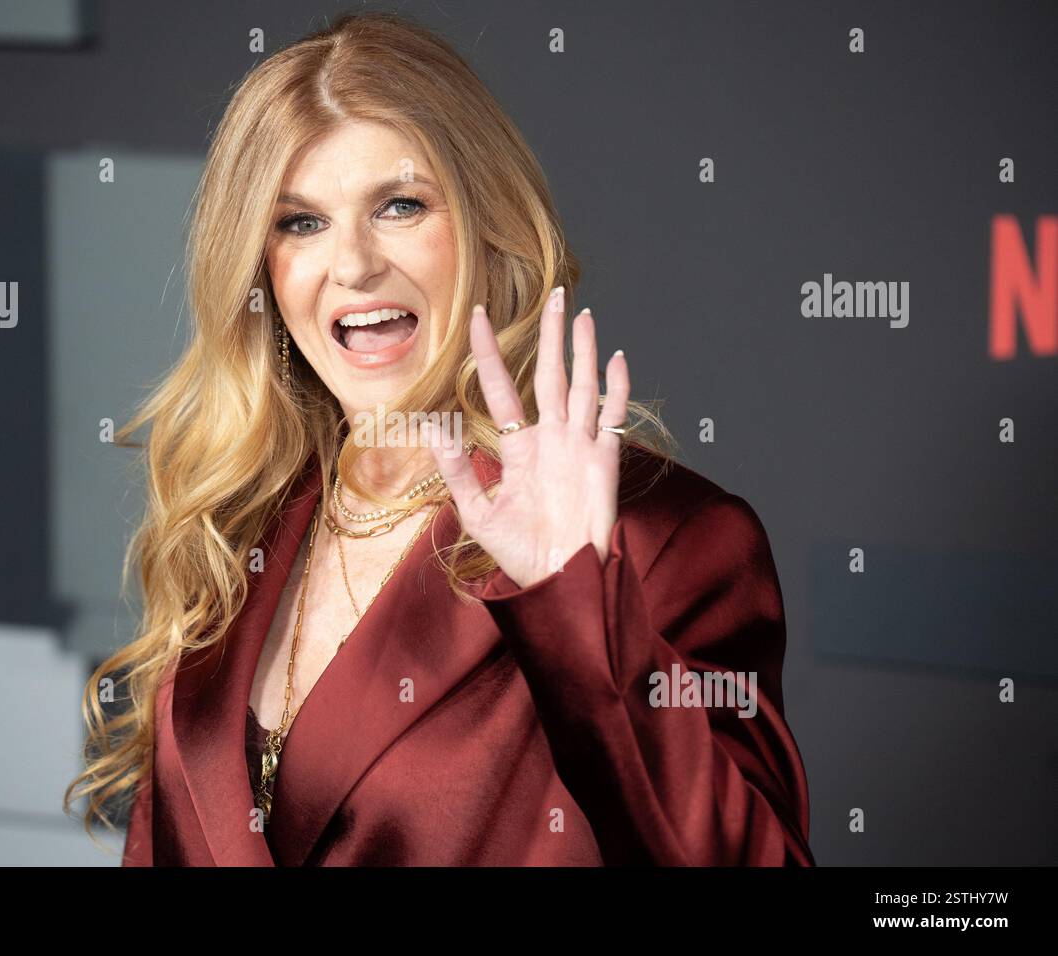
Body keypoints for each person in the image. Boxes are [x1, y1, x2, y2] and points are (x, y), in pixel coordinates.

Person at [63, 11, 814, 866]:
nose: (352, 265)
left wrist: (575, 608)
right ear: (260, 267)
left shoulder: (664, 540)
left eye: (400, 205)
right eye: (300, 222)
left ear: (487, 227)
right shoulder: (236, 524)